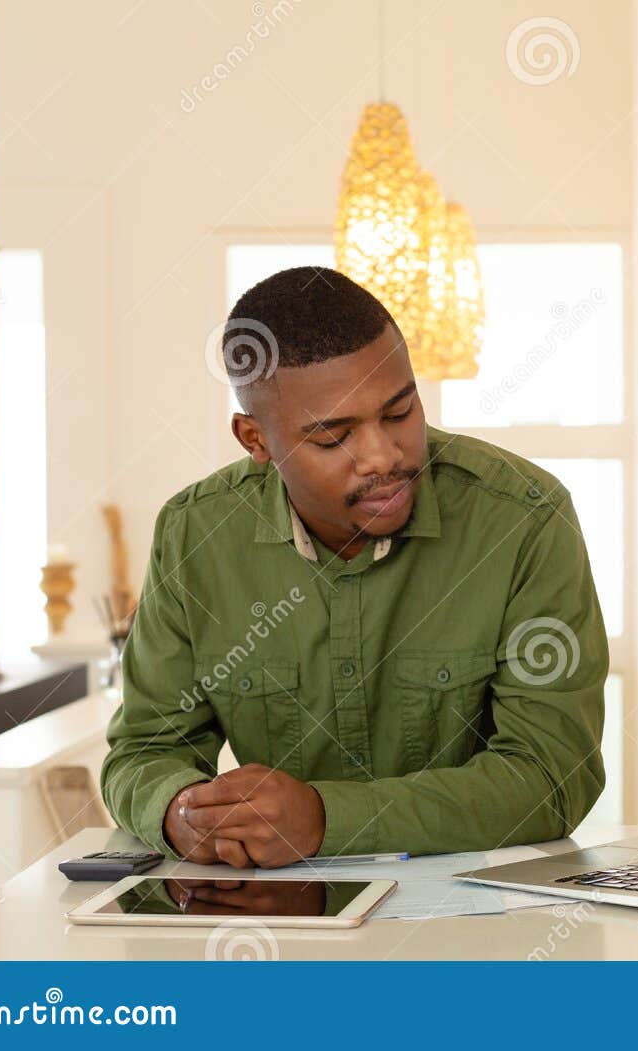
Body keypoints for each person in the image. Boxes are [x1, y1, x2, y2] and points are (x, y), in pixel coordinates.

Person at [100, 266, 607, 868]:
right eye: (333, 437)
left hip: (480, 908)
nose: (384, 457)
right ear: (255, 440)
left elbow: (552, 777)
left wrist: (325, 818)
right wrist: (183, 812)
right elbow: (145, 750)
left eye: (400, 412)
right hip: (280, 911)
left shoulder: (524, 517)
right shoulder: (195, 534)